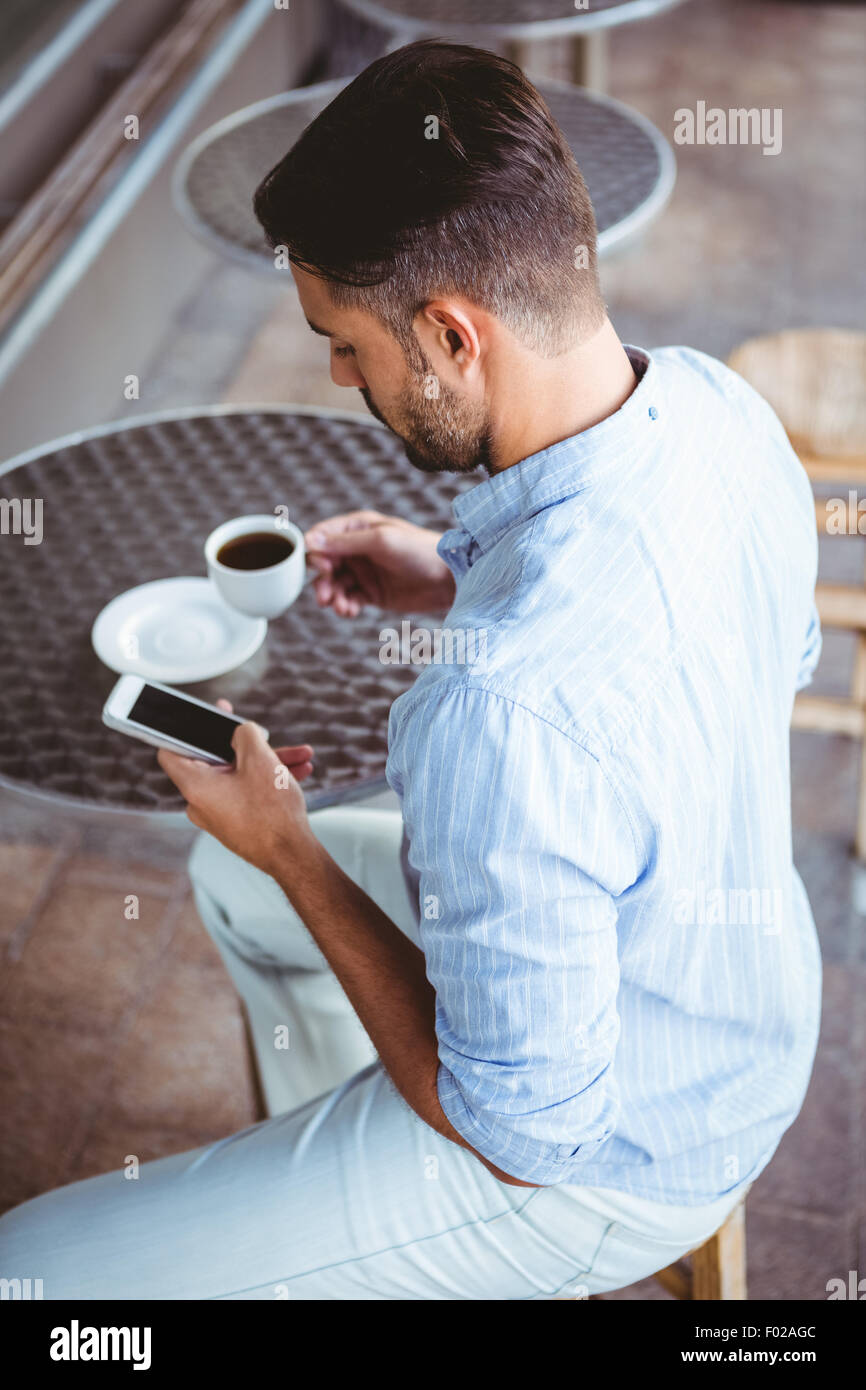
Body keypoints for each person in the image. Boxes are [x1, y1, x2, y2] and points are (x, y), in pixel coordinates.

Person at [0, 40, 821, 1300]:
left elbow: (522, 1137)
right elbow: (736, 651)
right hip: (741, 1014)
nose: (339, 375)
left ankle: (372, 1226)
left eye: (344, 341)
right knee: (239, 893)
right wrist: (450, 565)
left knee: (37, 1272)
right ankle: (336, 1207)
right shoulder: (716, 409)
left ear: (449, 332)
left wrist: (292, 845)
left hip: (603, 1159)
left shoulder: (494, 709)